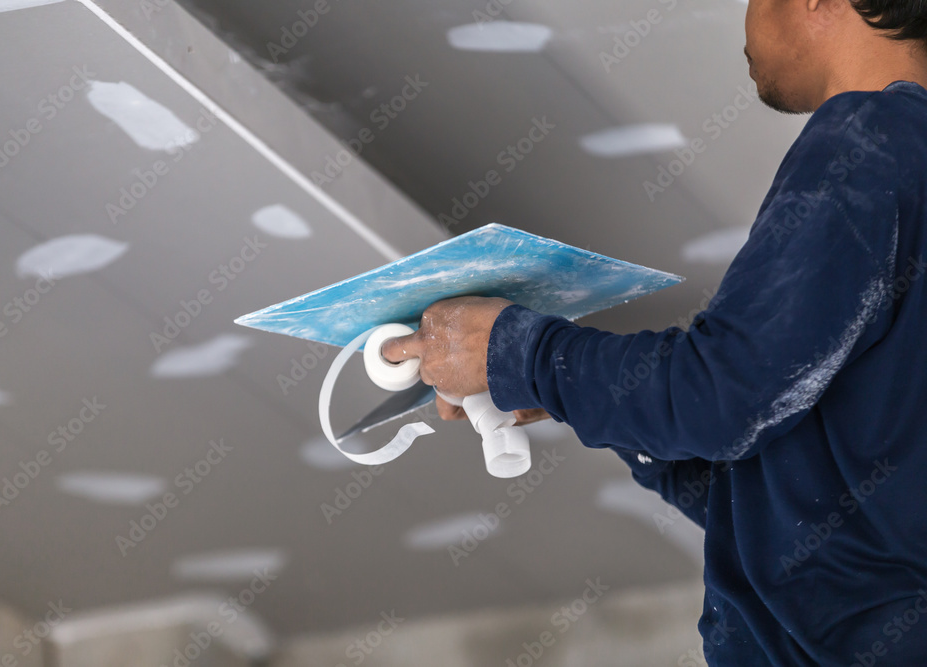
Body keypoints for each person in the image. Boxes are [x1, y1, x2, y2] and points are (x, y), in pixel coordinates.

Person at [382, 0, 927, 664]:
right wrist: (564, 386)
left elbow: (729, 394)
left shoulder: (867, 138)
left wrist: (519, 352)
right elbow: (788, 506)